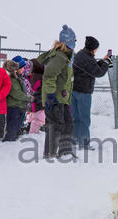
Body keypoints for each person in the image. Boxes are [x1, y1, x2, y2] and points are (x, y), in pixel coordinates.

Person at [37, 24, 76, 159]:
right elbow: (49, 76)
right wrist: (51, 95)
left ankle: (65, 152)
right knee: (56, 125)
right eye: (74, 41)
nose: (75, 44)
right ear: (69, 41)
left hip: (63, 98)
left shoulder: (66, 57)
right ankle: (49, 154)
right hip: (55, 98)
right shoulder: (59, 57)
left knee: (68, 124)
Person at [72, 36, 111, 150]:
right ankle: (84, 144)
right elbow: (98, 72)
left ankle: (75, 140)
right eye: (96, 48)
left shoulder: (80, 54)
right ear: (93, 48)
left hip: (74, 90)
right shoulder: (88, 58)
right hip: (83, 92)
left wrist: (102, 61)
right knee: (84, 119)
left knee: (76, 118)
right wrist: (106, 63)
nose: (96, 50)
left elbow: (90, 67)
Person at [2, 59, 31, 142]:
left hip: (18, 105)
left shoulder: (18, 78)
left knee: (16, 126)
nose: (23, 69)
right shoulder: (12, 79)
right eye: (20, 68)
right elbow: (16, 93)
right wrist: (28, 98)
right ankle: (9, 143)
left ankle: (13, 140)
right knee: (12, 128)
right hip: (13, 106)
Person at [26, 59, 45, 134]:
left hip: (36, 101)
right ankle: (32, 132)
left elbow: (33, 88)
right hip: (39, 101)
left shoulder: (35, 76)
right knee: (37, 118)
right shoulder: (40, 76)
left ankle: (32, 131)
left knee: (35, 117)